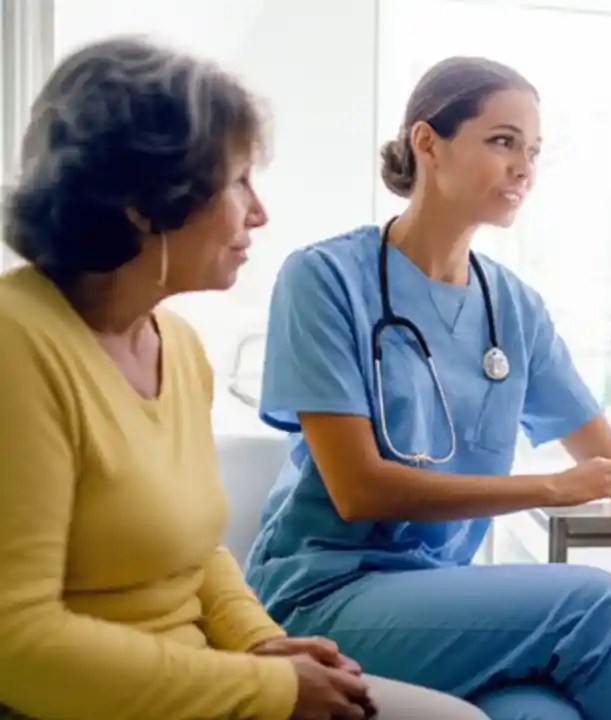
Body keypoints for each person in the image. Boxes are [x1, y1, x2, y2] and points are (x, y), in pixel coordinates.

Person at [0, 37, 485, 720]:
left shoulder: (179, 347)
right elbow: (17, 645)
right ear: (145, 203)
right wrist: (269, 690)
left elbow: (197, 558)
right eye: (237, 182)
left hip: (202, 679)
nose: (258, 213)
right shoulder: (17, 345)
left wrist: (265, 644)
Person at [242, 55, 611, 720]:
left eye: (533, 150)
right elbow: (358, 490)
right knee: (599, 608)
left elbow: (606, 461)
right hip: (324, 594)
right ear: (427, 143)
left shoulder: (514, 308)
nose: (524, 167)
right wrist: (549, 488)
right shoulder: (325, 279)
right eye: (503, 142)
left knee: (544, 717)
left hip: (438, 600)